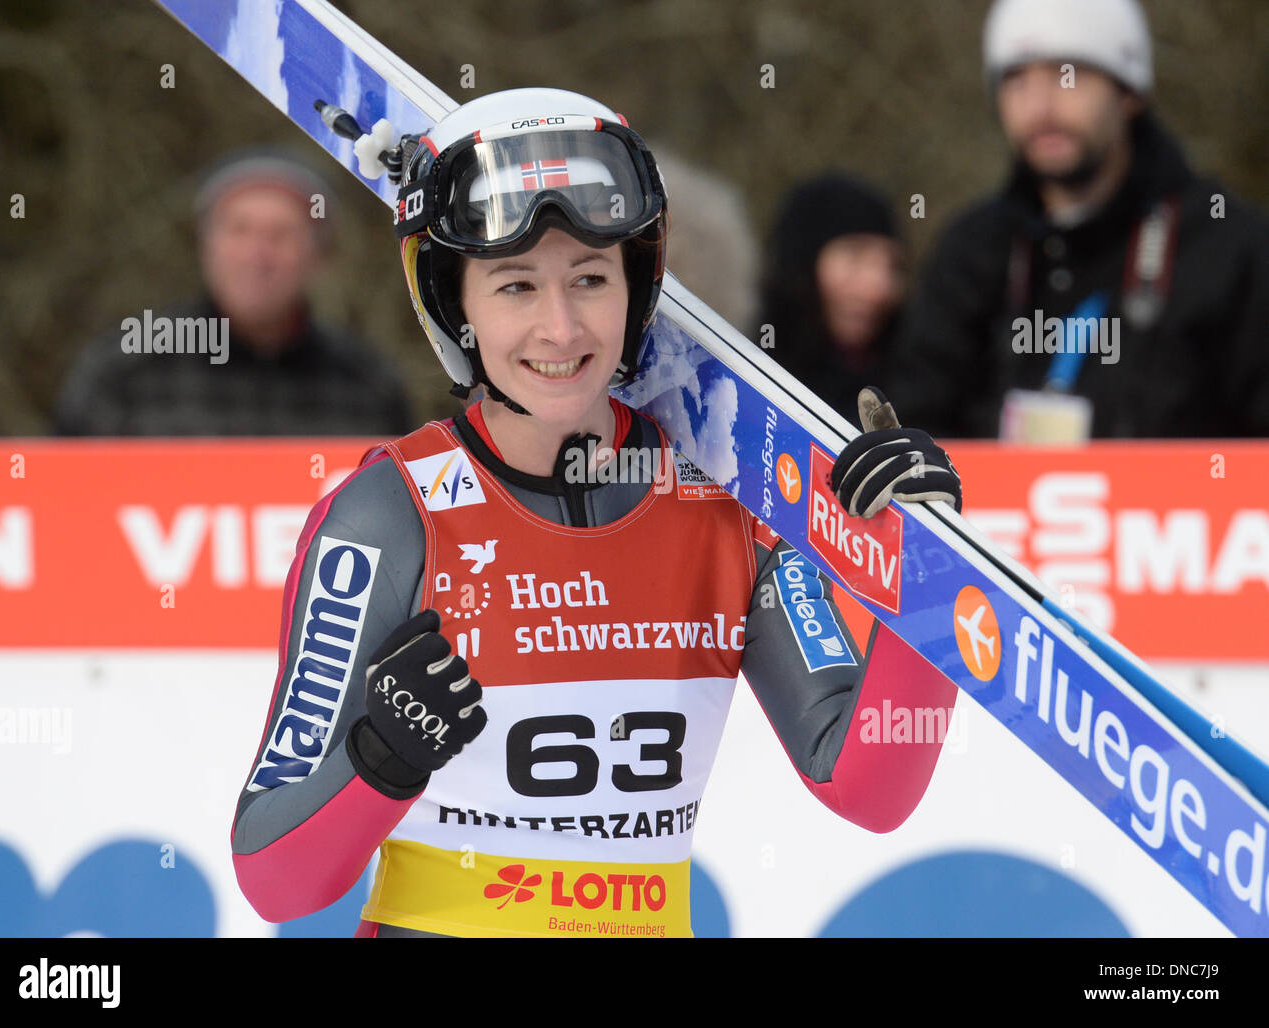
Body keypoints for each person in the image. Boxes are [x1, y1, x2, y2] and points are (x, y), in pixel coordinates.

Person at [229, 88, 964, 938]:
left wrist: (926, 583)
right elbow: (272, 880)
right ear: (453, 305)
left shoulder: (723, 501)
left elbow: (867, 790)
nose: (562, 326)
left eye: (590, 278)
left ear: (636, 289)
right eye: (514, 287)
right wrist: (379, 762)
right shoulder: (391, 514)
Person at [888, 0, 1269, 440]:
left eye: (1068, 74)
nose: (1041, 106)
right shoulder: (972, 250)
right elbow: (916, 426)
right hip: (987, 510)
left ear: (1129, 93)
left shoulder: (1227, 247)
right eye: (1016, 81)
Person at [53, 149, 415, 436]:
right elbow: (58, 503)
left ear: (318, 255)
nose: (257, 255)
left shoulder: (367, 385)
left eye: (281, 235)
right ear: (205, 245)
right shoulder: (123, 370)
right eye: (239, 230)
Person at [759, 173, 906, 425]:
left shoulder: (918, 384)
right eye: (855, 257)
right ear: (803, 264)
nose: (879, 287)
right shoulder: (741, 386)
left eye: (891, 266)